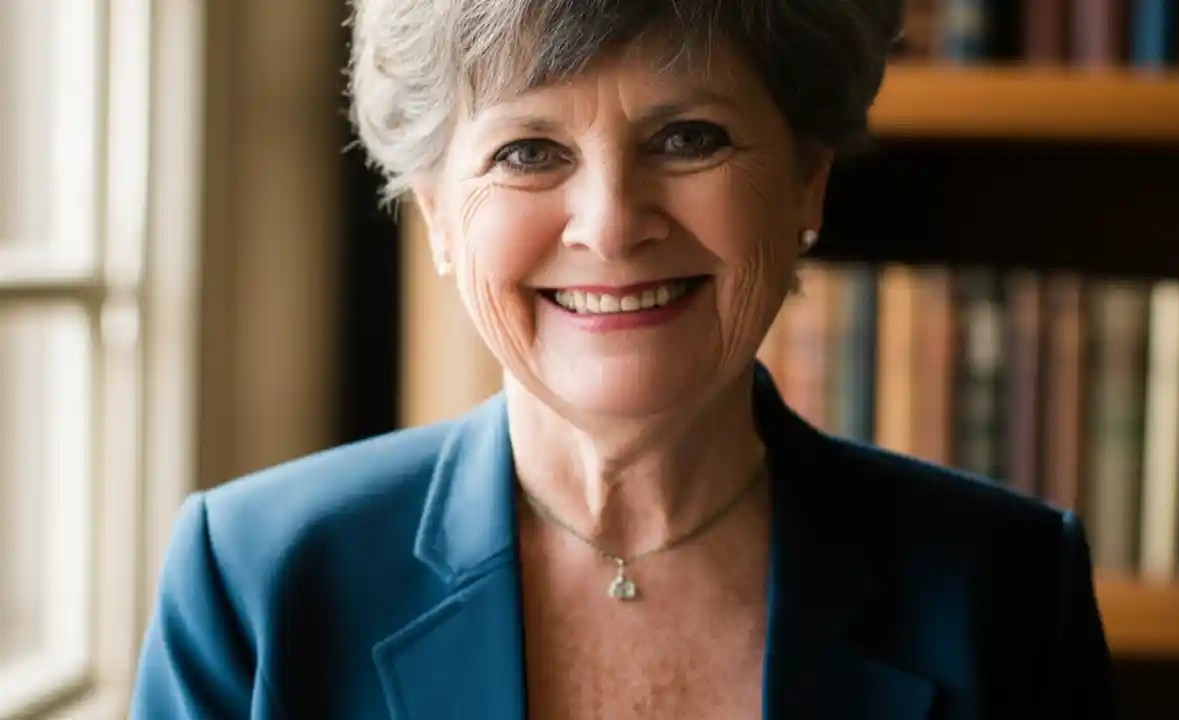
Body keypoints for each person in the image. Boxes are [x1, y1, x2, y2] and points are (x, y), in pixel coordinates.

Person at [131, 1, 1113, 718]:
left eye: (687, 137)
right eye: (527, 152)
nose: (609, 225)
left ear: (806, 181)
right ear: (435, 214)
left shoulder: (1007, 593)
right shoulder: (255, 585)